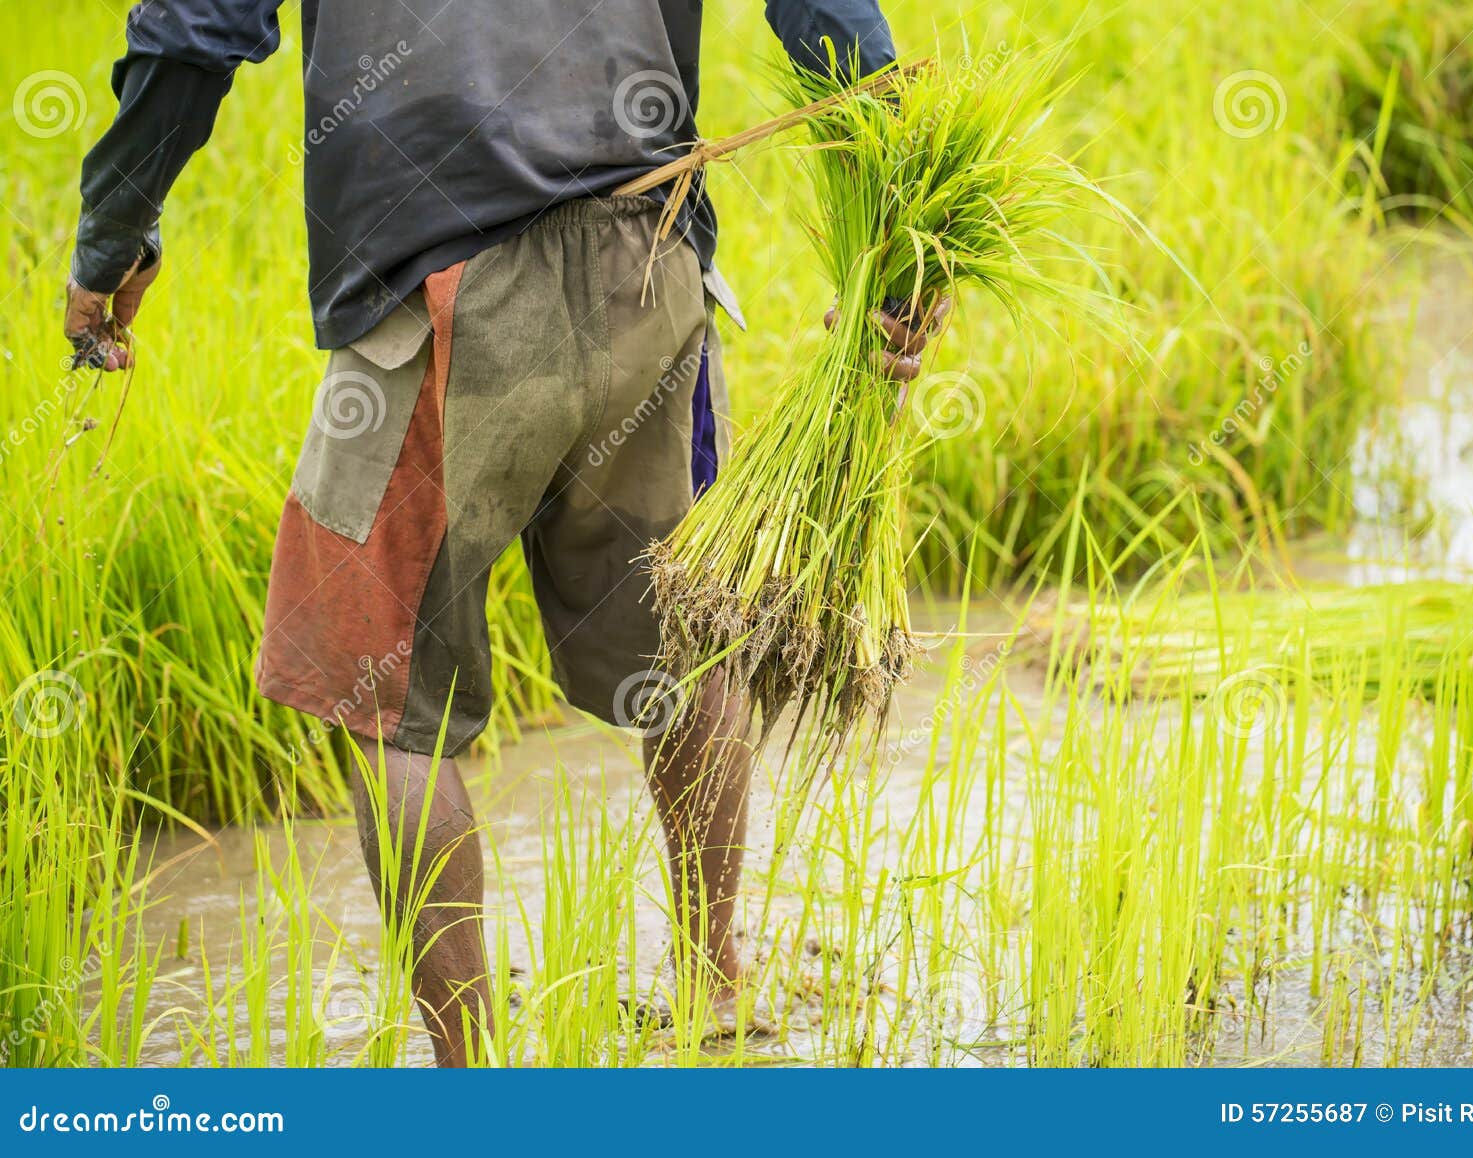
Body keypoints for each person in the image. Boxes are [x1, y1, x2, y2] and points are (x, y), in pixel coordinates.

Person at [63, 0, 947, 1067]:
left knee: (386, 702)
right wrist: (904, 230)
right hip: (651, 263)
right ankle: (717, 984)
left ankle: (471, 1082)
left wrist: (112, 240)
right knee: (683, 633)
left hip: (432, 289)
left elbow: (192, 34)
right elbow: (829, 12)